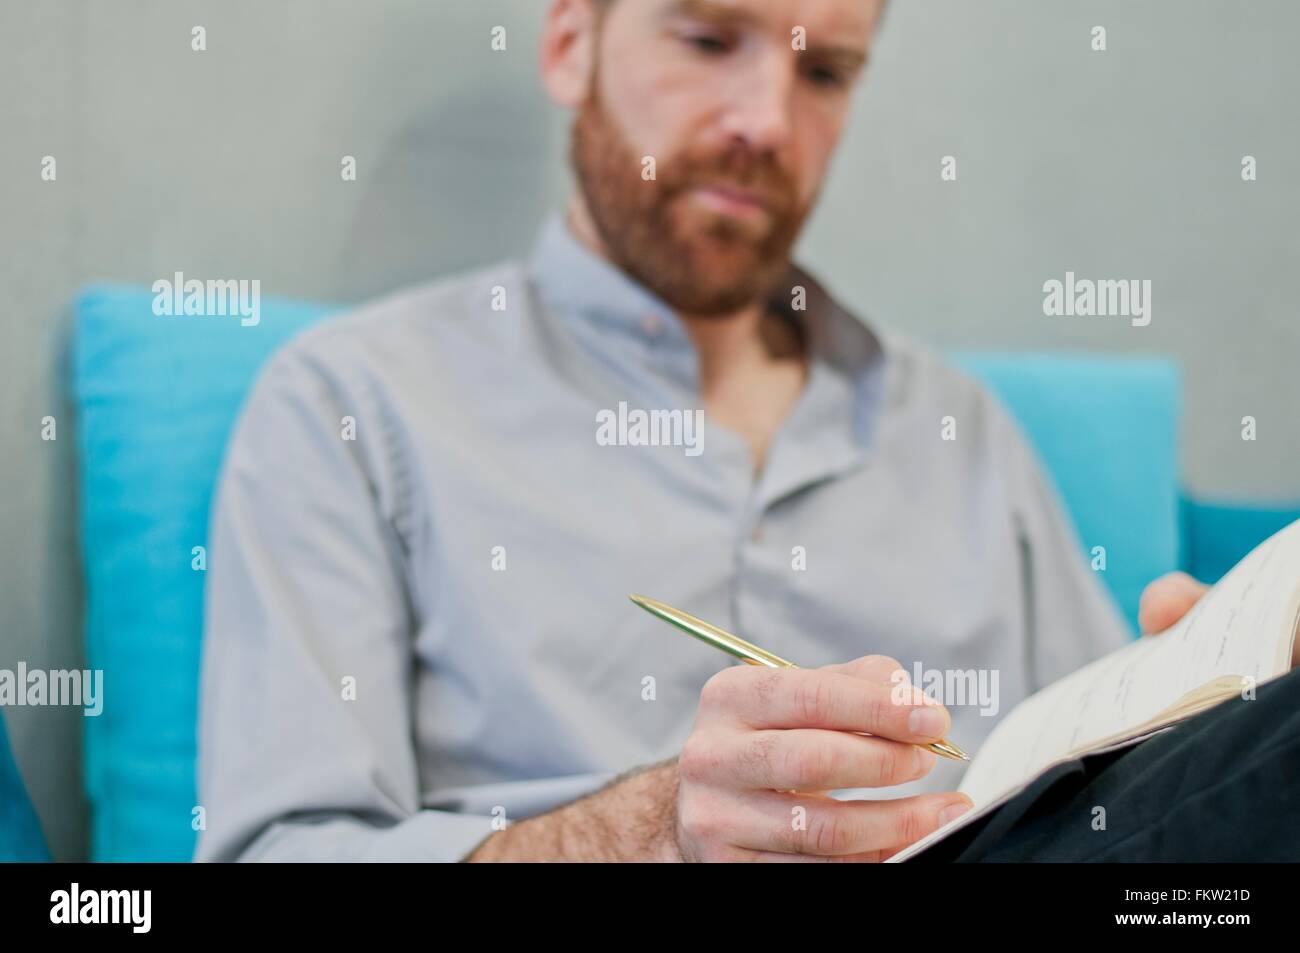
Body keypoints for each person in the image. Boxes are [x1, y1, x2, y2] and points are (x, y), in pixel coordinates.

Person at [195, 0, 1220, 863]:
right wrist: (651, 834)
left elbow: (1112, 790)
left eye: (825, 71)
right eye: (708, 38)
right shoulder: (351, 403)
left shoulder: (960, 428)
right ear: (569, 45)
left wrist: (1210, 705)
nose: (767, 122)